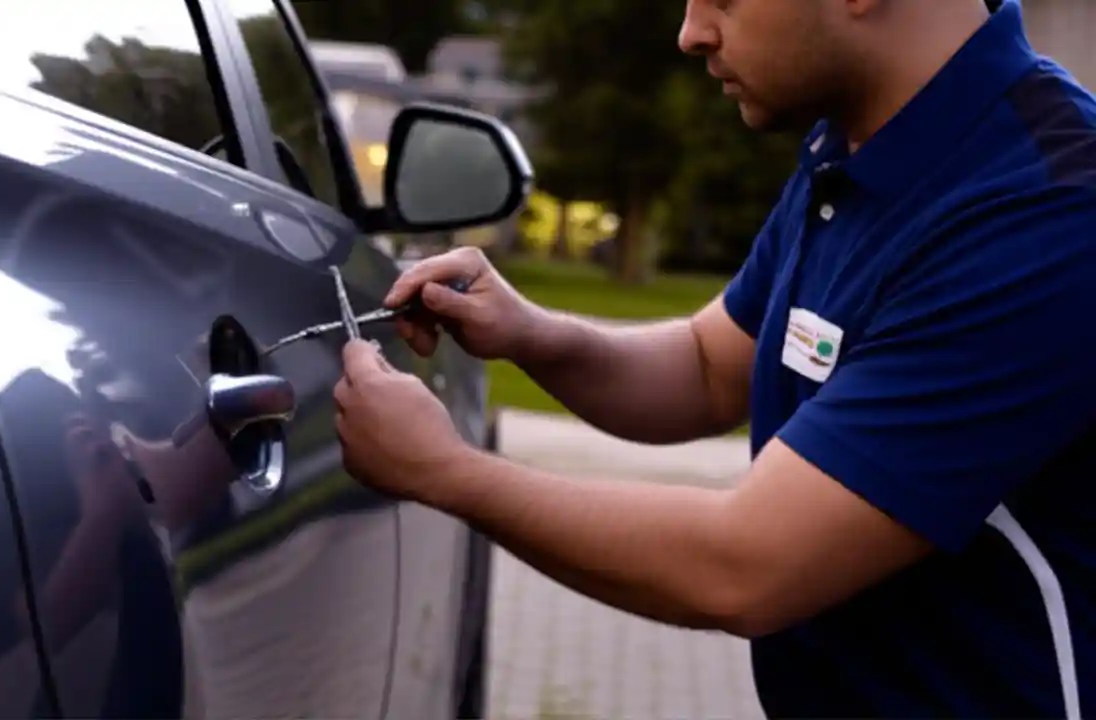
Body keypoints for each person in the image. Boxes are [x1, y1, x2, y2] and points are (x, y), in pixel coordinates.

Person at [332, 0, 1096, 717]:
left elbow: (743, 567)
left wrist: (444, 470)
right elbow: (706, 367)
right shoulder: (860, 145)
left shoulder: (1051, 209)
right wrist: (530, 333)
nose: (691, 32)